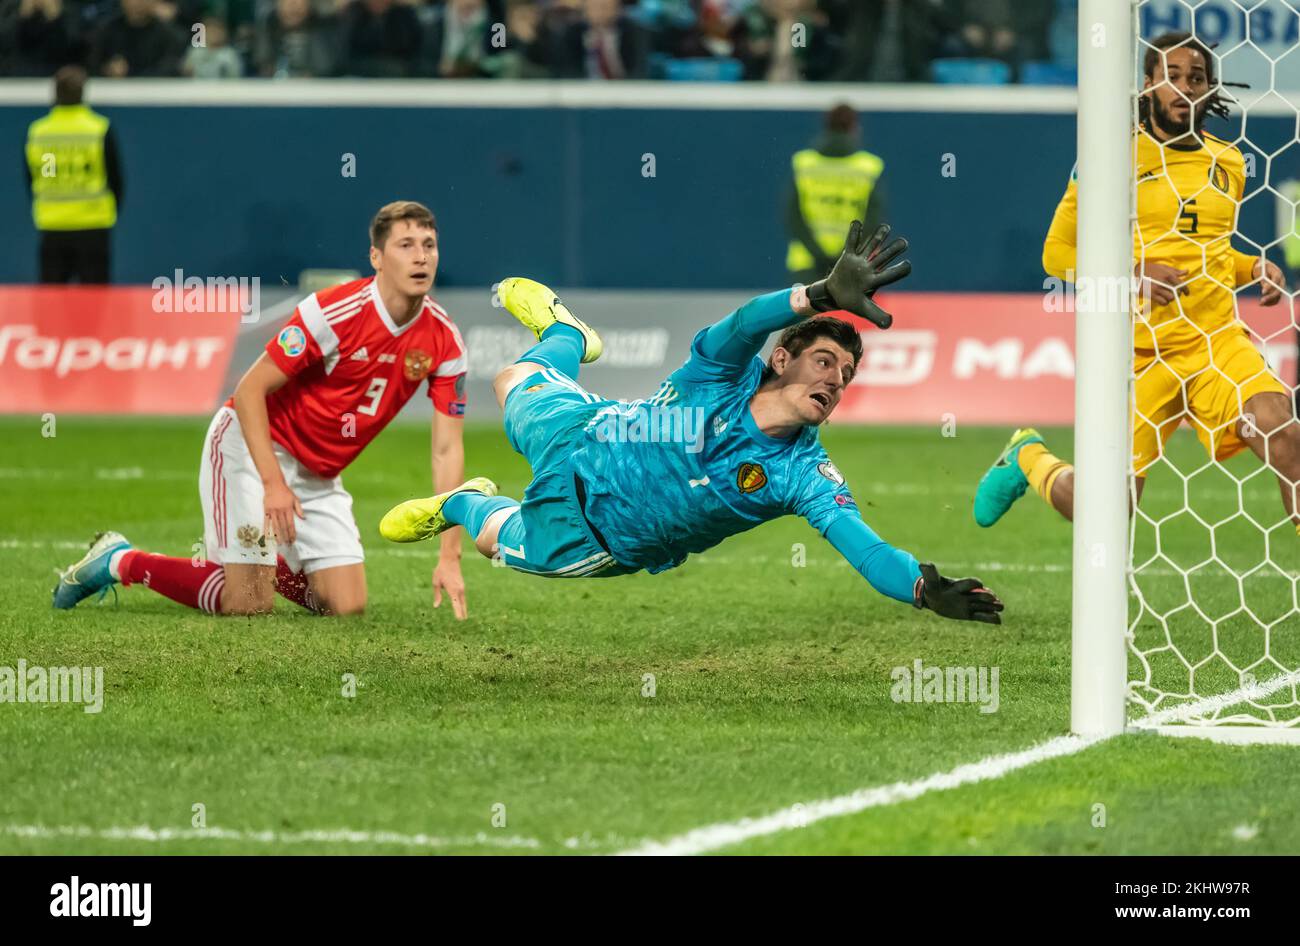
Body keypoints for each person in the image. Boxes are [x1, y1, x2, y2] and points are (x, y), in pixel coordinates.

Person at [380, 220, 1003, 625]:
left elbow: (865, 551)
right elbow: (744, 324)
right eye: (824, 361)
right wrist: (816, 295)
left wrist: (922, 588)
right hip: (592, 432)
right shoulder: (720, 376)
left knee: (497, 540)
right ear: (782, 360)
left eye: (845, 374)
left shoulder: (803, 474)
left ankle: (459, 503)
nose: (834, 380)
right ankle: (567, 332)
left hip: (598, 539)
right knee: (510, 381)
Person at [52, 201, 474, 619]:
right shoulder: (332, 312)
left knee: (346, 606)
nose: (421, 256)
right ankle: (120, 560)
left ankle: (259, 565)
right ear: (377, 258)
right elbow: (251, 388)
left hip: (318, 474)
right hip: (251, 445)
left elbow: (446, 450)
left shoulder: (445, 341)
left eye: (429, 244)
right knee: (248, 602)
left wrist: (449, 556)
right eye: (405, 245)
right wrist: (272, 483)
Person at [974, 32, 1300, 536]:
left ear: (1211, 89)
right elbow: (1057, 254)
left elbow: (1207, 254)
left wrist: (1252, 267)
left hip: (1215, 344)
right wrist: (1130, 275)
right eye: (1170, 76)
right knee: (1102, 513)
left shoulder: (1229, 162)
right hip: (1138, 355)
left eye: (1196, 78)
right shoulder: (1110, 159)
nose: (1183, 88)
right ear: (1146, 85)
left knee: (1282, 430)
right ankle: (1030, 457)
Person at [24, 65, 121, 284]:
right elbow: (116, 179)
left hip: (52, 224)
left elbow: (33, 177)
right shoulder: (99, 128)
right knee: (95, 304)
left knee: (51, 305)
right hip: (93, 225)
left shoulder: (39, 132)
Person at [785, 103, 887, 287]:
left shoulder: (804, 163)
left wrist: (817, 253)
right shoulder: (868, 167)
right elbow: (873, 221)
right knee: (846, 317)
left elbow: (793, 216)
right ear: (854, 128)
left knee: (807, 315)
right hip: (851, 264)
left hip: (807, 263)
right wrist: (844, 254)